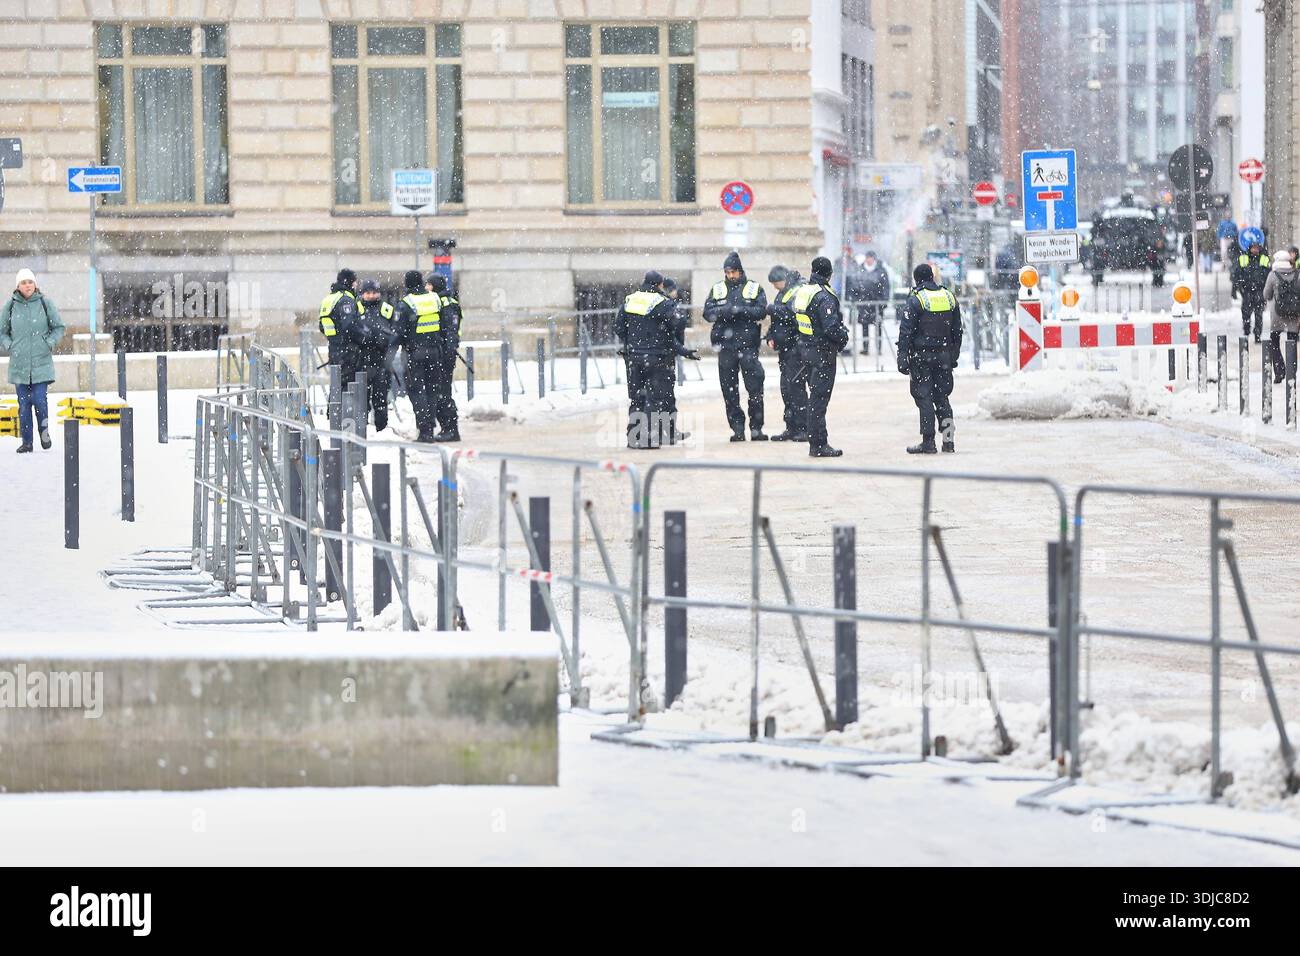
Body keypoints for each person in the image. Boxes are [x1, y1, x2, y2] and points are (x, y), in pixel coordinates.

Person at [614, 271, 697, 449]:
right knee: (654, 398)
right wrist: (665, 335)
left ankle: (634, 436)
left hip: (634, 357)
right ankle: (648, 438)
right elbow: (679, 321)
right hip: (656, 357)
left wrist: (633, 341)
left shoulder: (631, 300)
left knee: (637, 398)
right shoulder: (661, 302)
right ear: (660, 285)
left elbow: (619, 327)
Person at [897, 262, 962, 454]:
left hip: (921, 357)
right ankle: (949, 441)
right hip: (943, 356)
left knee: (924, 398)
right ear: (932, 277)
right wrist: (953, 355)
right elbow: (957, 330)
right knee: (942, 397)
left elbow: (906, 332)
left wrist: (902, 358)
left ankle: (928, 442)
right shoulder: (949, 296)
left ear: (917, 279)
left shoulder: (917, 299)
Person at [703, 251, 767, 441]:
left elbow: (761, 311)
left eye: (734, 272)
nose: (731, 276)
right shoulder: (718, 289)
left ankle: (756, 429)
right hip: (726, 348)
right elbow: (707, 312)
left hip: (748, 346)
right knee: (729, 390)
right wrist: (724, 311)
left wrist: (741, 311)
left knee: (755, 388)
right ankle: (737, 429)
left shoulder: (754, 288)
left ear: (741, 271)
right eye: (728, 272)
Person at [0, 268, 65, 453]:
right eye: (23, 282)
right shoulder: (10, 306)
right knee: (24, 406)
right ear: (18, 286)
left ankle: (44, 433)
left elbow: (59, 327)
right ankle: (27, 442)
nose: (27, 285)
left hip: (41, 363)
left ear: (35, 284)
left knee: (39, 401)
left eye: (30, 282)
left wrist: (49, 343)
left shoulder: (45, 303)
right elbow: (2, 332)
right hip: (19, 366)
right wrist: (10, 345)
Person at [791, 256, 848, 457]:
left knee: (814, 398)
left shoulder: (804, 291)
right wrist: (844, 337)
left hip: (806, 350)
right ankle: (818, 444)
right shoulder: (824, 296)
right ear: (830, 274)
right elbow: (831, 327)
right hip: (822, 353)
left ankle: (815, 441)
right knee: (819, 400)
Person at [395, 269, 450, 443]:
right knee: (432, 390)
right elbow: (444, 323)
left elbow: (398, 332)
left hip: (414, 354)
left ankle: (424, 430)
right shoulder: (434, 298)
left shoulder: (406, 303)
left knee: (417, 391)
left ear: (407, 284)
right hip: (435, 352)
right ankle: (430, 426)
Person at [764, 265, 808, 442]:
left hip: (797, 349)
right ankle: (791, 426)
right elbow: (777, 321)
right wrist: (770, 336)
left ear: (784, 279)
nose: (775, 287)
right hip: (786, 349)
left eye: (776, 283)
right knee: (786, 389)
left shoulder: (797, 290)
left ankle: (803, 428)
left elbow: (792, 314)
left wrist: (771, 308)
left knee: (796, 389)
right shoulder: (783, 292)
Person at [353, 279, 395, 432]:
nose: (371, 296)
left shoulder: (387, 309)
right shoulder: (356, 308)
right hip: (361, 360)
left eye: (374, 292)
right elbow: (351, 331)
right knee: (361, 401)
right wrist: (364, 339)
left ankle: (381, 431)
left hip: (381, 362)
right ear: (362, 294)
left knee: (380, 400)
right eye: (368, 293)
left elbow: (395, 333)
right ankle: (361, 432)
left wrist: (384, 340)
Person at [426, 273, 461, 441]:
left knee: (443, 393)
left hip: (444, 355)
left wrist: (448, 353)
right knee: (439, 392)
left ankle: (451, 428)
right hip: (441, 353)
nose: (426, 288)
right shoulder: (441, 302)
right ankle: (447, 427)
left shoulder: (447, 304)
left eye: (429, 285)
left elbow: (451, 333)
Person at [319, 268, 361, 387]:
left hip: (334, 349)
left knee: (336, 386)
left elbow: (322, 326)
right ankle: (344, 406)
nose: (356, 285)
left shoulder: (329, 299)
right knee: (348, 387)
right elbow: (349, 326)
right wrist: (364, 337)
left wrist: (335, 338)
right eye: (355, 282)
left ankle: (333, 406)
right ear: (351, 282)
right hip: (347, 352)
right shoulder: (346, 299)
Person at [1264, 251, 1300, 384]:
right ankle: (1292, 372)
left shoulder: (1273, 275)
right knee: (1292, 344)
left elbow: (1266, 295)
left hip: (1277, 315)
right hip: (1294, 314)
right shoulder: (1298, 274)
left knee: (1274, 342)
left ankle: (1279, 372)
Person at [1231, 230, 1271, 342]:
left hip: (1259, 291)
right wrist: (1234, 289)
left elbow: (1269, 275)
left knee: (1259, 315)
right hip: (1247, 291)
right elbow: (1237, 274)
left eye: (1257, 248)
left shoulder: (1264, 259)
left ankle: (1257, 335)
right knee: (1246, 314)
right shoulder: (1243, 258)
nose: (1255, 250)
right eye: (1253, 248)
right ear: (1249, 248)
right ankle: (1246, 332)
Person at [855, 251, 891, 354]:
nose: (869, 260)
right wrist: (857, 300)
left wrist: (884, 302)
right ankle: (865, 348)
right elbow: (855, 285)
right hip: (864, 304)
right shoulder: (860, 270)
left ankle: (878, 348)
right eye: (867, 258)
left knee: (878, 326)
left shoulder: (881, 271)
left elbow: (886, 287)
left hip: (877, 304)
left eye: (870, 258)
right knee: (864, 326)